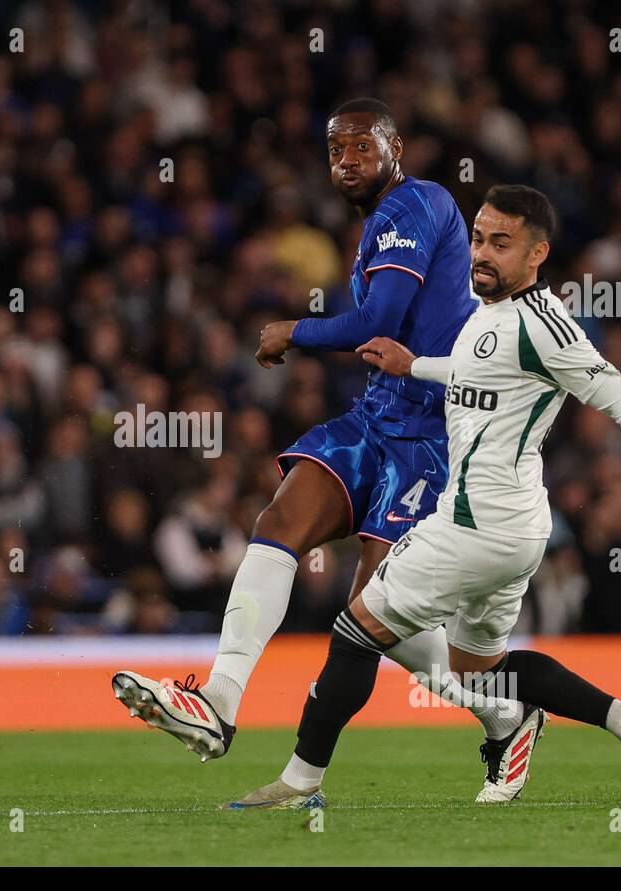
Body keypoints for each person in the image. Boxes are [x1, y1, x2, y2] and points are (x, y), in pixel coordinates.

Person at [228, 185, 621, 809]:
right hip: (518, 529)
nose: (481, 254)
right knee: (477, 671)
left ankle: (299, 784)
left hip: (473, 526)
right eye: (478, 238)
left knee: (357, 629)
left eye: (500, 244)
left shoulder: (547, 328)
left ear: (538, 255)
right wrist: (414, 366)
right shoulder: (491, 315)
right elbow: (477, 372)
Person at [114, 98, 506, 760]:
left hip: (432, 433)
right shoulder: (385, 219)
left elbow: (377, 317)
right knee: (281, 521)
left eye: (361, 146)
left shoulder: (417, 204)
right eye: (335, 151)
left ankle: (506, 714)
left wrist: (292, 330)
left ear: (395, 149)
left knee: (379, 613)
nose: (347, 160)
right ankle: (219, 703)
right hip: (379, 415)